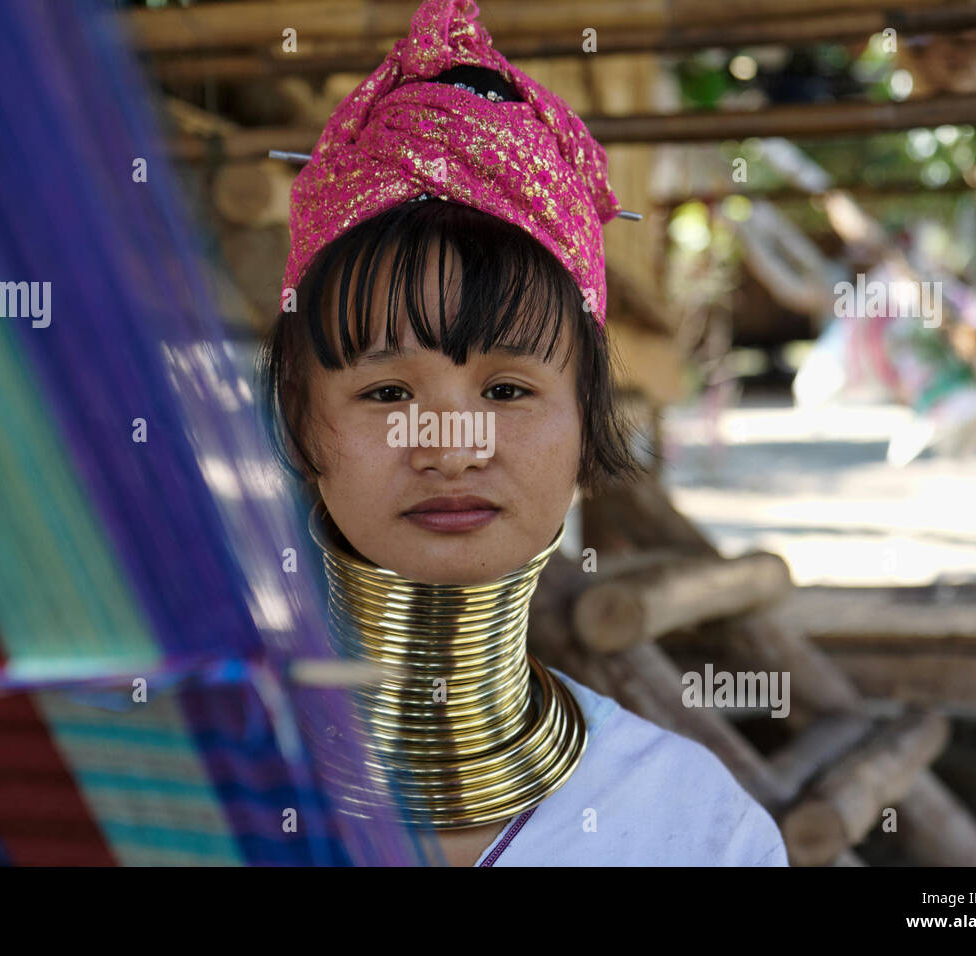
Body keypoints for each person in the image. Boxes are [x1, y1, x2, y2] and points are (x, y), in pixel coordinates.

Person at [259, 0, 787, 867]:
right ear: (300, 421)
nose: (453, 445)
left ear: (587, 424)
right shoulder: (179, 797)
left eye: (507, 388)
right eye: (388, 391)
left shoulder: (696, 832)